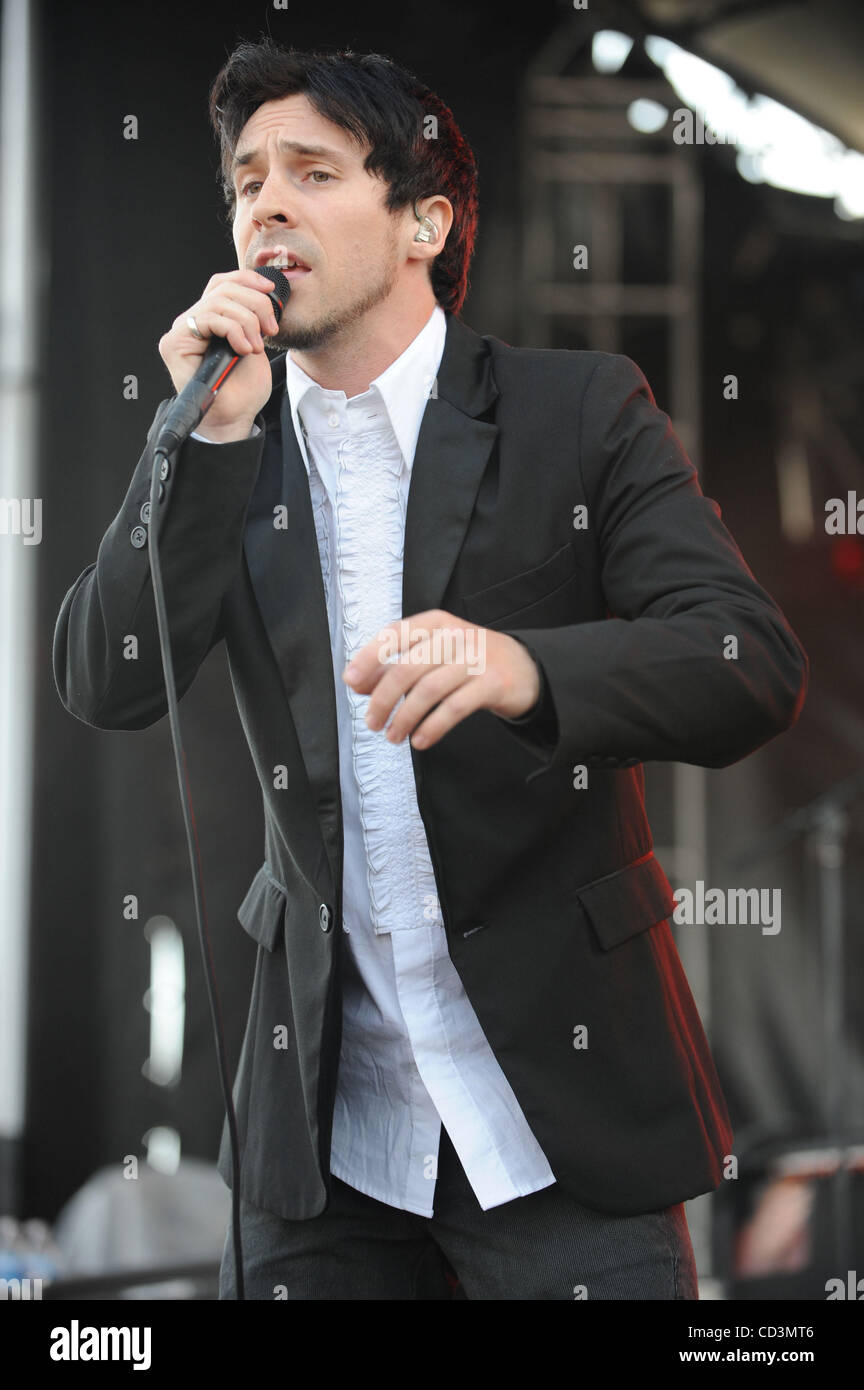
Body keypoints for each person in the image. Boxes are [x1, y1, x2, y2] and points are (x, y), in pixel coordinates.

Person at [53, 39, 809, 1300]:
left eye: (312, 170)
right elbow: (105, 677)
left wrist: (524, 664)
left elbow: (750, 661)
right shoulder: (227, 438)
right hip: (327, 1138)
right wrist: (196, 447)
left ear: (425, 221)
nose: (266, 205)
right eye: (246, 182)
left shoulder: (576, 412)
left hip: (554, 1129)